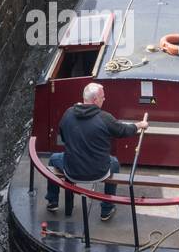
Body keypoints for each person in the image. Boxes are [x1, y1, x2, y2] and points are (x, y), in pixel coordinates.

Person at [45, 82, 148, 221]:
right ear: (95, 100)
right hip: (98, 172)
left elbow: (63, 137)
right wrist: (140, 125)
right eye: (102, 97)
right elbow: (123, 131)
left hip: (72, 170)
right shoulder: (105, 118)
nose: (104, 99)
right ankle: (106, 208)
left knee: (53, 159)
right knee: (115, 163)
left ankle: (52, 201)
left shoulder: (68, 114)